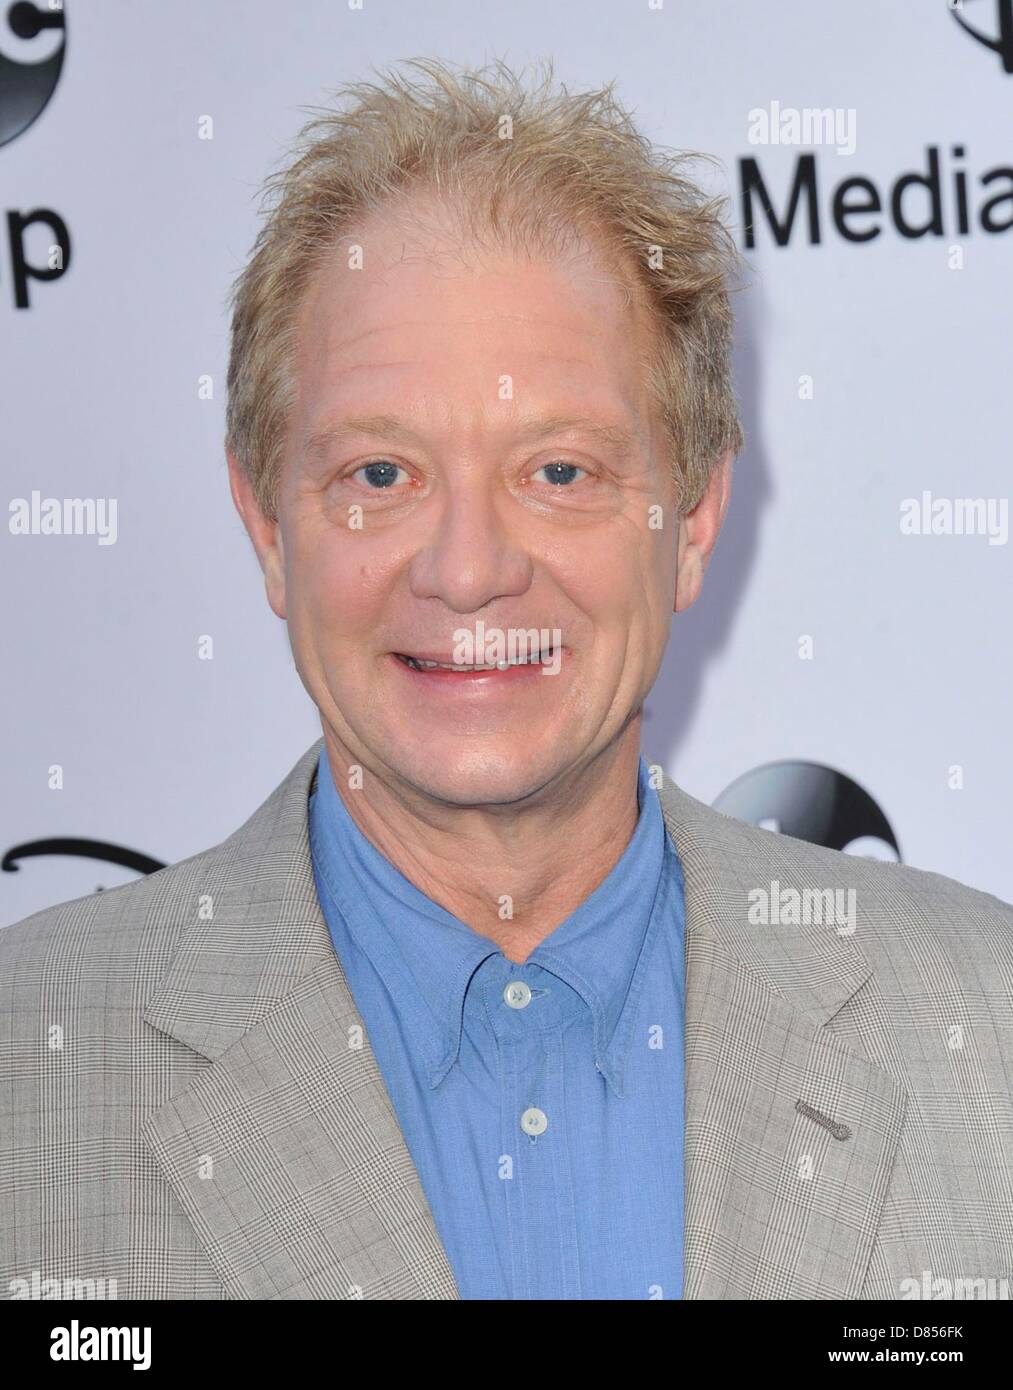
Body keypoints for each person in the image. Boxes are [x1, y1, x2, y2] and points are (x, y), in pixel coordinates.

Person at [2, 58, 1011, 1302]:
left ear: (691, 519)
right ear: (266, 525)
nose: (468, 571)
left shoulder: (986, 1027)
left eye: (558, 472)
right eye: (379, 475)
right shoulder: (28, 1068)